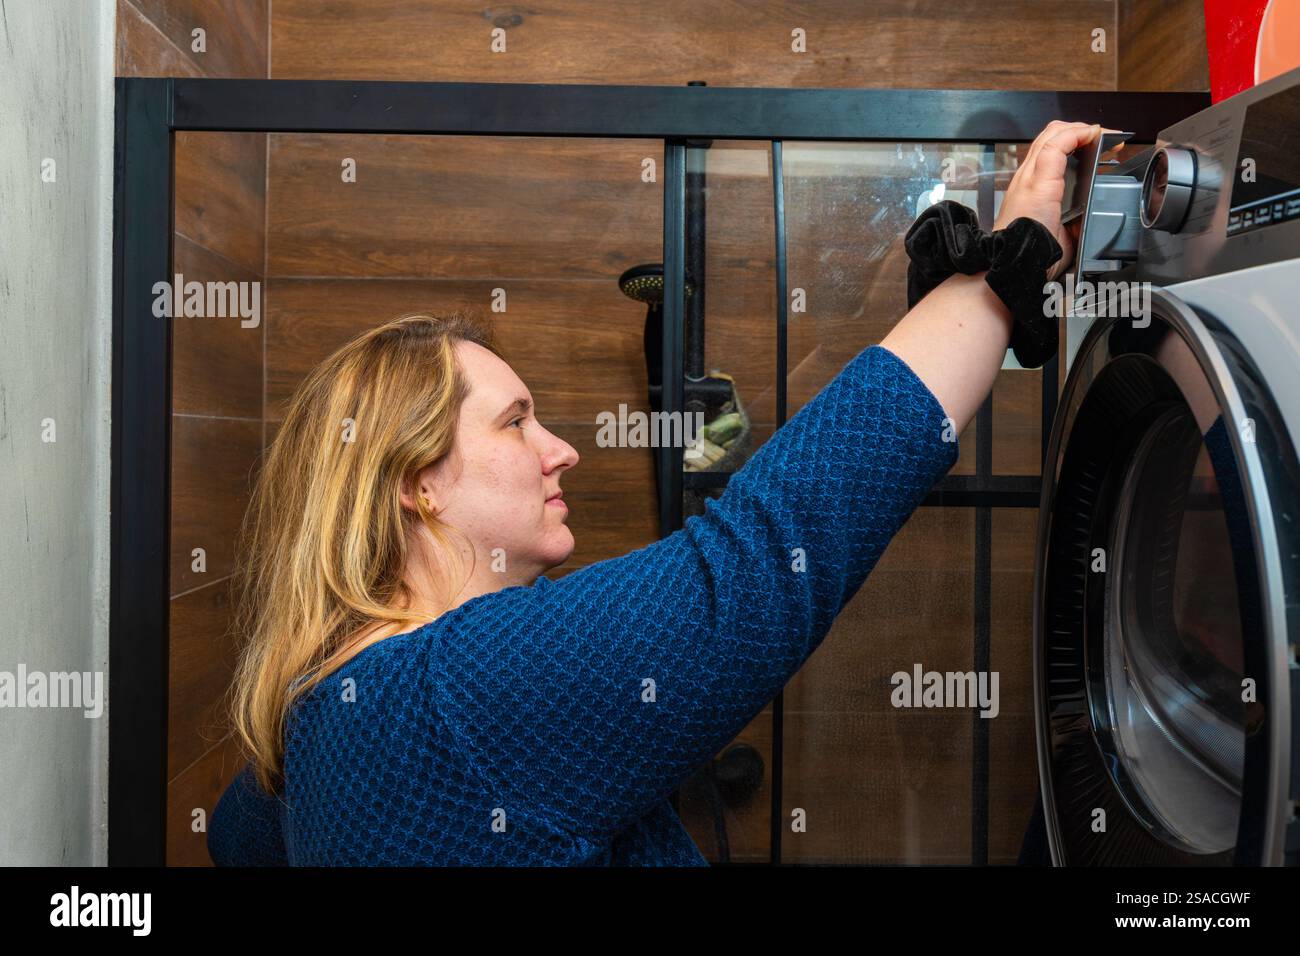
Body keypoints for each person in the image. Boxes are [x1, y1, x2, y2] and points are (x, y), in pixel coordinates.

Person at [207, 121, 1106, 866]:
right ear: (415, 487)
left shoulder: (317, 716)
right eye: (516, 422)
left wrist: (917, 317)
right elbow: (756, 566)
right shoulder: (452, 696)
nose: (562, 450)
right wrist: (1002, 276)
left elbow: (237, 843)